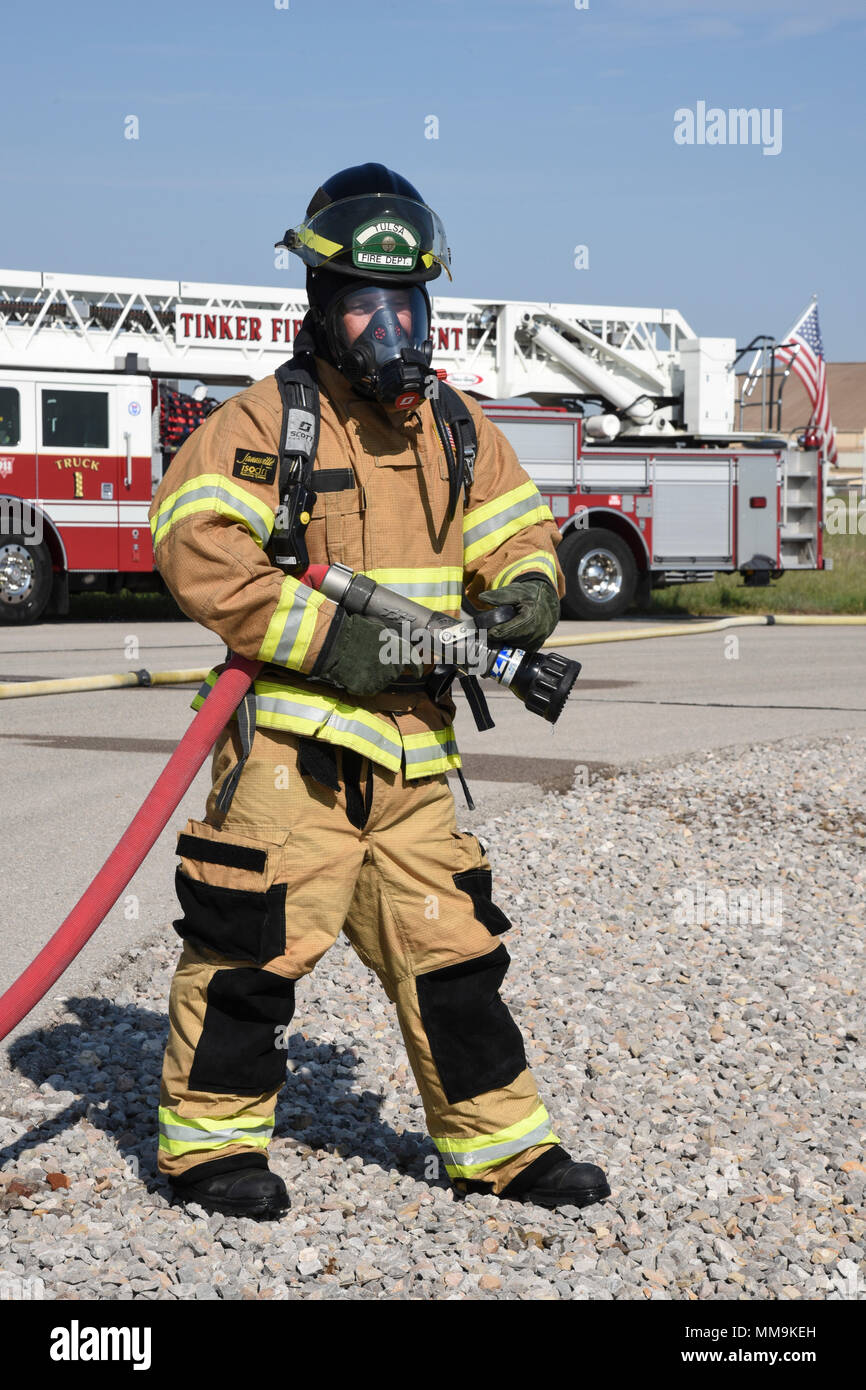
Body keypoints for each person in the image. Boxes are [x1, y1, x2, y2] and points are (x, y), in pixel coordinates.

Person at [148, 163, 611, 1219]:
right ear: (318, 307)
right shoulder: (268, 424)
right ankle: (211, 1153)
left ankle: (501, 1151)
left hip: (414, 766)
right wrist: (330, 645)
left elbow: (518, 532)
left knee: (454, 961)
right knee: (249, 957)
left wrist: (525, 599)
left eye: (407, 304)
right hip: (290, 765)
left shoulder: (454, 427)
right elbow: (195, 545)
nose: (391, 326)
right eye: (365, 302)